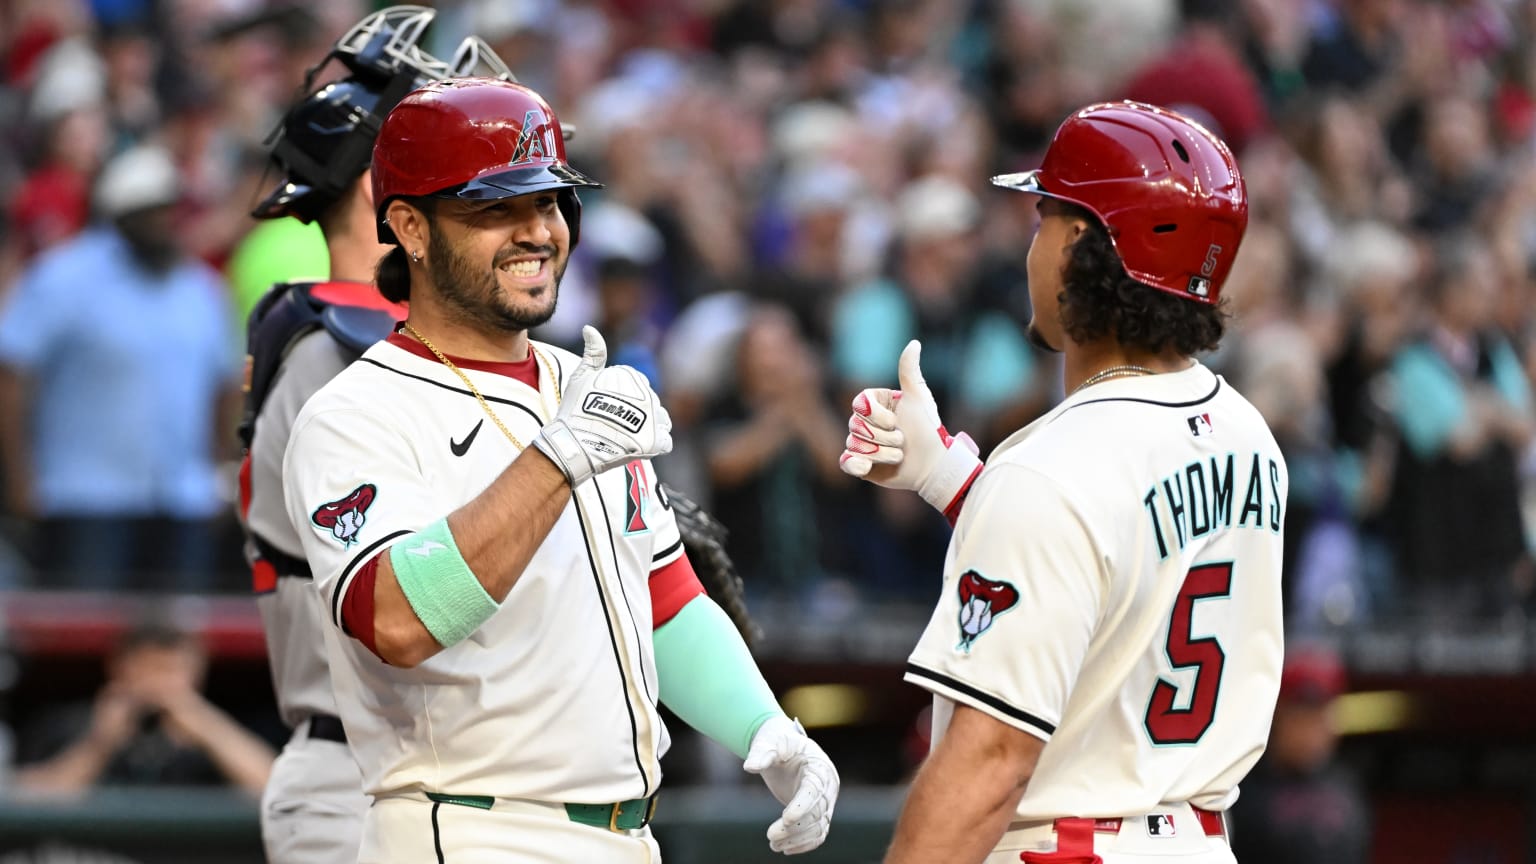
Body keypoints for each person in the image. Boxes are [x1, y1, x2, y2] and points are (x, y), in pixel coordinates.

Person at [281, 76, 838, 862]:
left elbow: (665, 597)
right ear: (407, 225)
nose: (535, 231)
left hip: (626, 831)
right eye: (494, 208)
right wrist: (557, 459)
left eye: (546, 202)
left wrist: (767, 727)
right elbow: (396, 621)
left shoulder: (585, 386)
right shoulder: (357, 412)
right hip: (469, 825)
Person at [840, 101, 1286, 863]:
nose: (1030, 246)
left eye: (1043, 216)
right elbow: (1110, 566)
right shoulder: (1249, 434)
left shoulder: (1053, 467)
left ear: (1081, 243)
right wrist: (949, 475)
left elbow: (990, 764)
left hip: (1068, 846)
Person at [238, 8, 514, 864]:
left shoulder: (398, 346)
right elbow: (424, 590)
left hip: (449, 774)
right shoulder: (336, 355)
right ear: (380, 191)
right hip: (361, 780)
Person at [0, 143, 242, 592]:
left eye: (172, 210)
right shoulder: (63, 277)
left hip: (181, 496)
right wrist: (21, 477)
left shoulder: (200, 288)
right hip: (86, 495)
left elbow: (222, 387)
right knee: (82, 638)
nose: (166, 222)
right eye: (152, 211)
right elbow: (13, 374)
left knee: (176, 641)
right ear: (120, 214)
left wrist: (218, 473)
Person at [13, 618, 274, 796]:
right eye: (150, 670)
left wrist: (209, 731)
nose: (161, 684)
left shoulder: (212, 735)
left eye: (173, 671)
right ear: (119, 667)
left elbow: (276, 792)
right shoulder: (68, 724)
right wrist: (101, 743)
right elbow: (30, 802)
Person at [1229, 647, 1370, 864]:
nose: (1311, 732)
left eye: (1320, 718)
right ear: (1278, 716)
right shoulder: (1241, 789)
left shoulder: (1347, 785)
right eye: (1301, 717)